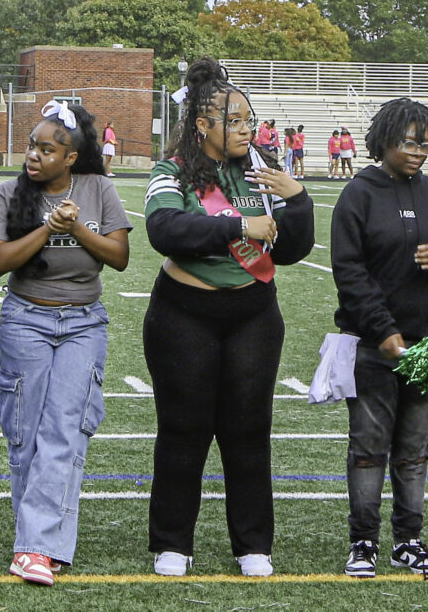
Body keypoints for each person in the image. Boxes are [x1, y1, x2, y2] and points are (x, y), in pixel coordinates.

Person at [143, 58, 315, 578]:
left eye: (248, 120)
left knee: (249, 429)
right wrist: (240, 224)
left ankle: (253, 544)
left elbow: (289, 251)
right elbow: (166, 231)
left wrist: (299, 201)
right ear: (202, 126)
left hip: (254, 315)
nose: (246, 129)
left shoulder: (262, 169)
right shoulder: (172, 168)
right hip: (182, 315)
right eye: (234, 121)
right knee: (183, 429)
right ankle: (172, 542)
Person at [331, 98, 428, 579]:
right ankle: (364, 541)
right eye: (409, 142)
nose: (419, 151)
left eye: (426, 143)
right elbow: (349, 274)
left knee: (415, 451)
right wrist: (385, 332)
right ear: (385, 141)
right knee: (369, 447)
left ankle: (409, 541)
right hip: (373, 346)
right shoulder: (359, 194)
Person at [0, 101, 130, 585]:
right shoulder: (9, 193)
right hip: (26, 318)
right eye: (32, 146)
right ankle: (42, 544)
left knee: (65, 433)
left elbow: (119, 256)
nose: (34, 156)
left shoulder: (98, 188)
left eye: (47, 149)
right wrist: (49, 226)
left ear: (71, 157)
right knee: (25, 436)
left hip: (84, 322)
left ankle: (35, 548)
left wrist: (78, 228)